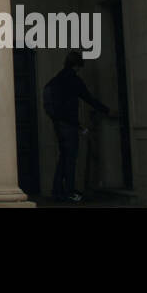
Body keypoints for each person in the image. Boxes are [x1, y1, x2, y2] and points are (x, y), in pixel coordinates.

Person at [43, 50, 114, 203]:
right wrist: (107, 110)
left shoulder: (57, 78)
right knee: (70, 158)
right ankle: (69, 191)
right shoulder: (74, 80)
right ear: (76, 66)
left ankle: (57, 190)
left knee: (64, 157)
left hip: (59, 123)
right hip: (69, 125)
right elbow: (88, 98)